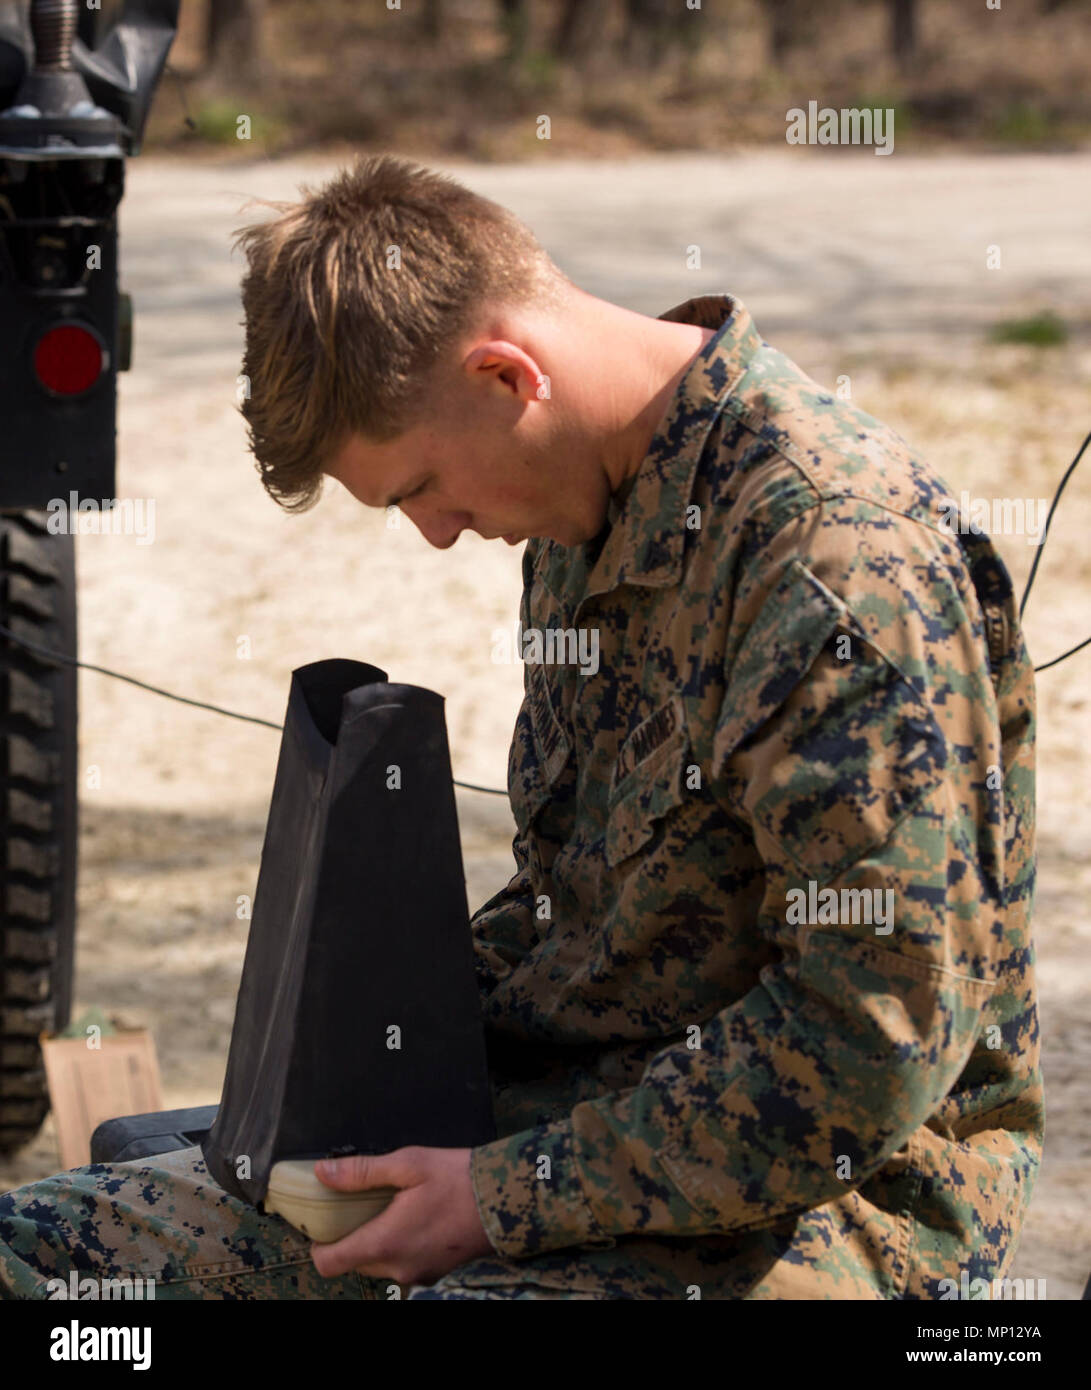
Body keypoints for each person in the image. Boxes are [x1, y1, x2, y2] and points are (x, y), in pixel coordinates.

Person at [0, 155, 1042, 1300]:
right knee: (40, 1253)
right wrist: (361, 1062)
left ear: (504, 375)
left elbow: (868, 1044)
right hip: (558, 1126)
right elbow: (571, 913)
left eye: (418, 490)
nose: (437, 535)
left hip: (821, 1205)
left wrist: (502, 1196)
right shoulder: (576, 508)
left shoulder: (830, 562)